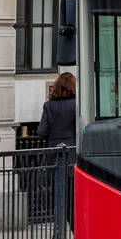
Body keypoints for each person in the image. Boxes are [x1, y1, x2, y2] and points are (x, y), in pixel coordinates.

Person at [38, 73, 78, 226]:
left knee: (58, 198)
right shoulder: (76, 104)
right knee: (72, 199)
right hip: (72, 156)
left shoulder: (49, 105)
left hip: (54, 156)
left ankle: (58, 235)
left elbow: (42, 131)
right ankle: (75, 233)